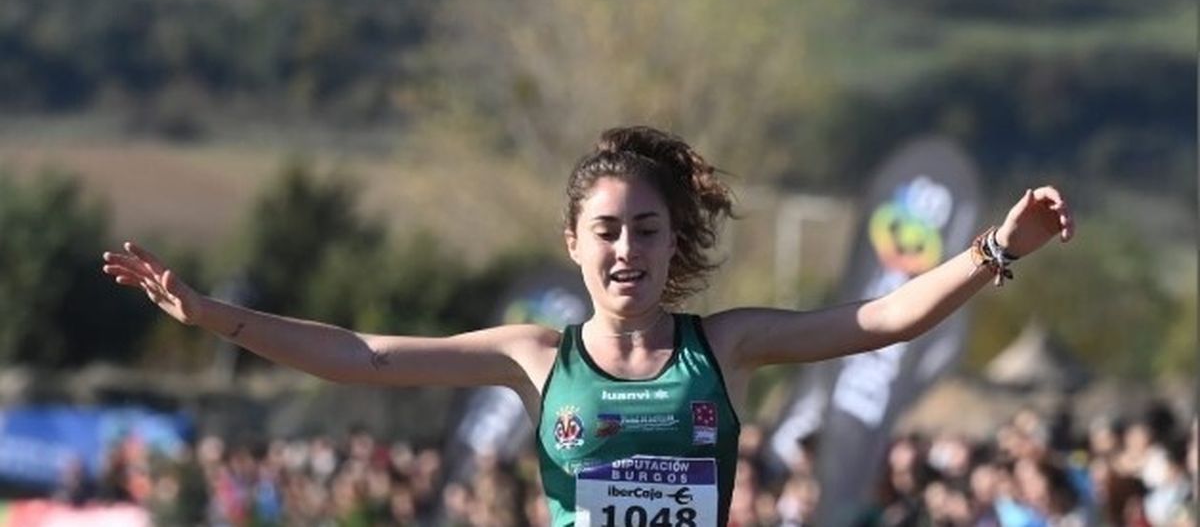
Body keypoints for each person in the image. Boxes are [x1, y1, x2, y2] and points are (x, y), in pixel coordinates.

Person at [102, 126, 1074, 527]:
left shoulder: (725, 345)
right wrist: (210, 314)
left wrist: (996, 247)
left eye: (645, 230)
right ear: (572, 243)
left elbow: (882, 317)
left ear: (672, 241)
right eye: (605, 231)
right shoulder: (535, 355)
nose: (625, 251)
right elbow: (359, 354)